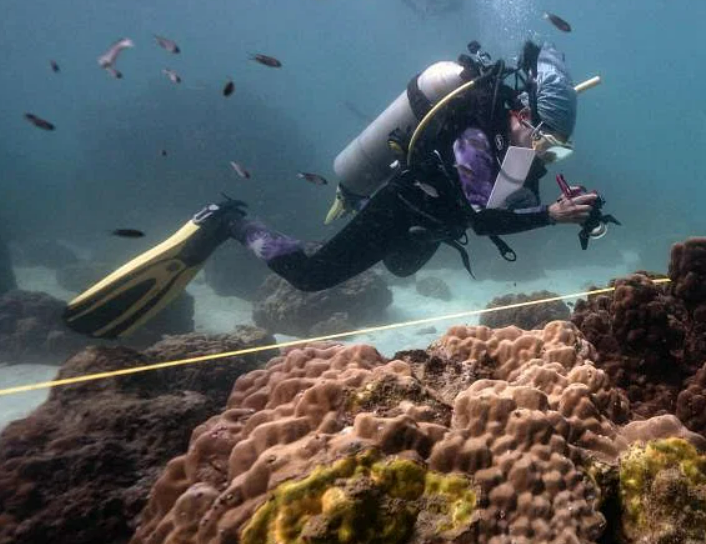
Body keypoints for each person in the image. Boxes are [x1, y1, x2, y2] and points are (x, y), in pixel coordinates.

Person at [63, 41, 601, 339]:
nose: (544, 155)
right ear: (521, 113)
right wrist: (551, 215)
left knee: (401, 268)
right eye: (544, 141)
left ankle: (350, 207)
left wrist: (562, 205)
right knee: (312, 275)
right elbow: (485, 218)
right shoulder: (477, 135)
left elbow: (505, 200)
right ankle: (227, 220)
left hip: (430, 222)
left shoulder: (518, 143)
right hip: (404, 206)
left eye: (557, 151)